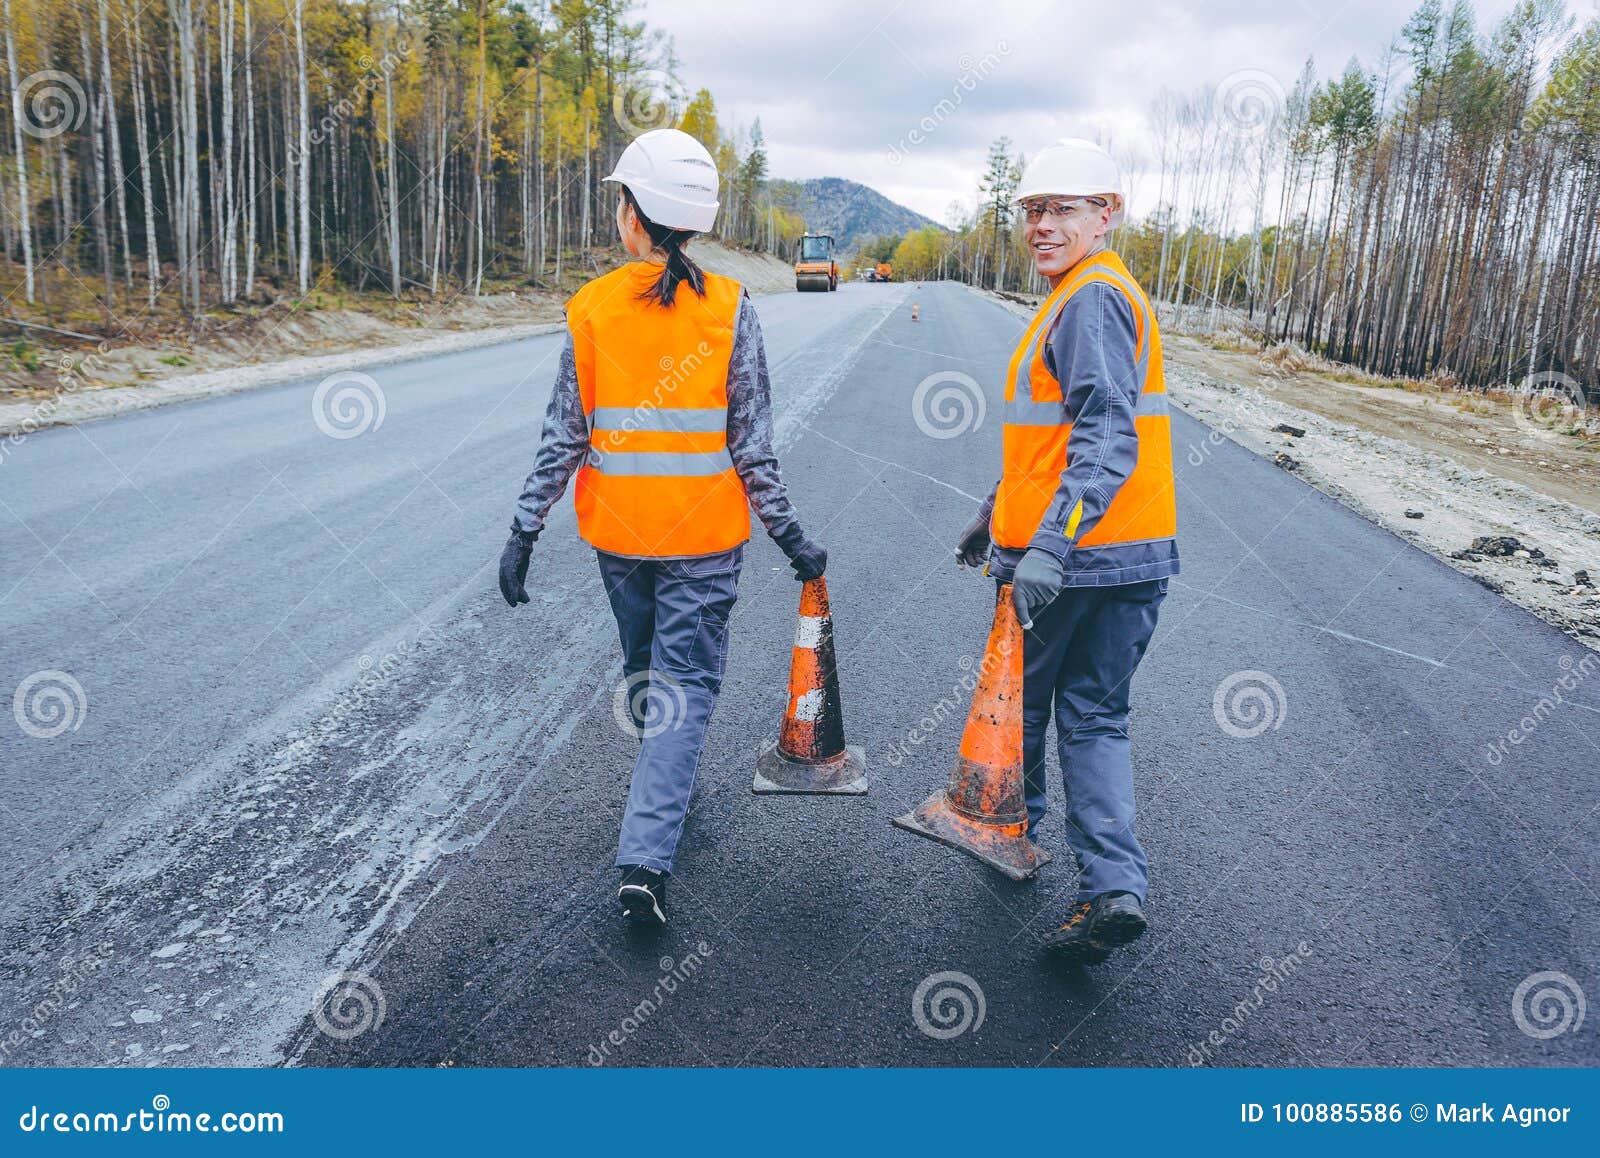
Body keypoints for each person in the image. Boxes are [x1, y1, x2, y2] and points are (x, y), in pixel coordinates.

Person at [497, 128, 827, 928]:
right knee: (682, 690)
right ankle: (646, 860)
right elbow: (752, 444)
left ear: (636, 215)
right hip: (705, 545)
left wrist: (523, 530)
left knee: (651, 674)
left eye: (620, 198)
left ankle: (662, 788)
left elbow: (563, 435)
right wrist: (790, 536)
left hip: (618, 540)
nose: (617, 211)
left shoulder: (591, 309)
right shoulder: (729, 309)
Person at [954, 138, 1178, 964]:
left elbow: (1107, 429)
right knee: (1098, 716)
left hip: (1073, 560)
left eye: (1062, 209)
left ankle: (1011, 833)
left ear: (1108, 213)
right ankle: (1114, 889)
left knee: (1029, 711)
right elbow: (1055, 439)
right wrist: (992, 509)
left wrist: (1046, 547)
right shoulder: (1099, 292)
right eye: (1032, 211)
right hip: (1134, 555)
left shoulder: (1088, 298)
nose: (1042, 226)